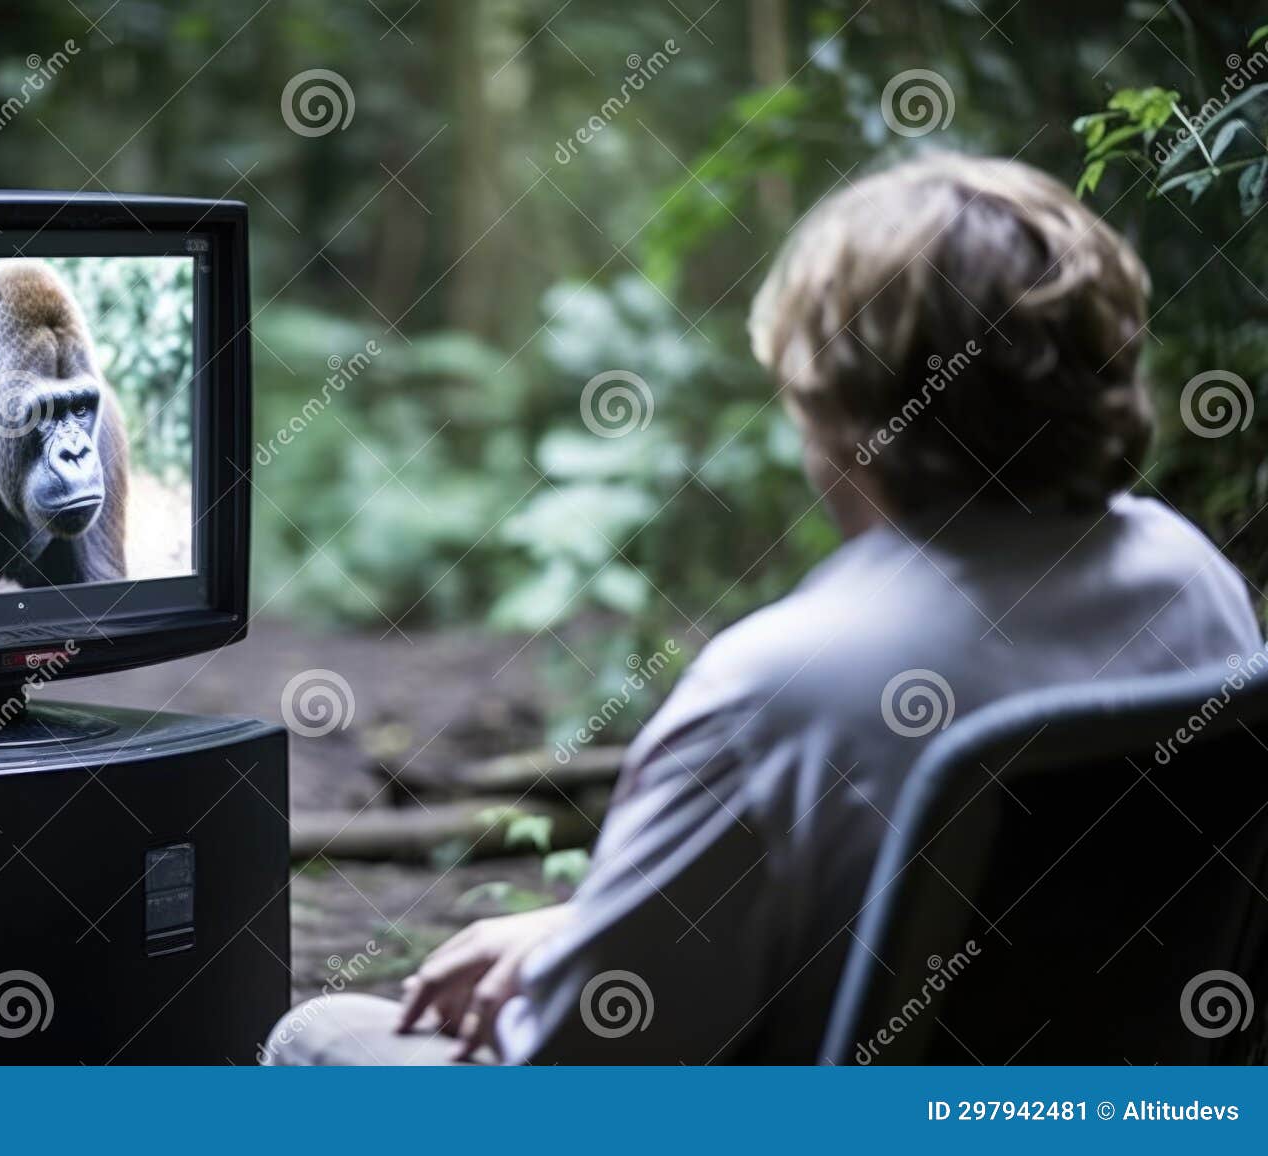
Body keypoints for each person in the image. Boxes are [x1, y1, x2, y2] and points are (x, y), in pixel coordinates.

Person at [261, 154, 1264, 1066]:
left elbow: (575, 1079)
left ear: (836, 412)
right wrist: (581, 934)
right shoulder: (1189, 578)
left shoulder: (778, 685)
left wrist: (572, 978)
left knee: (319, 1034)